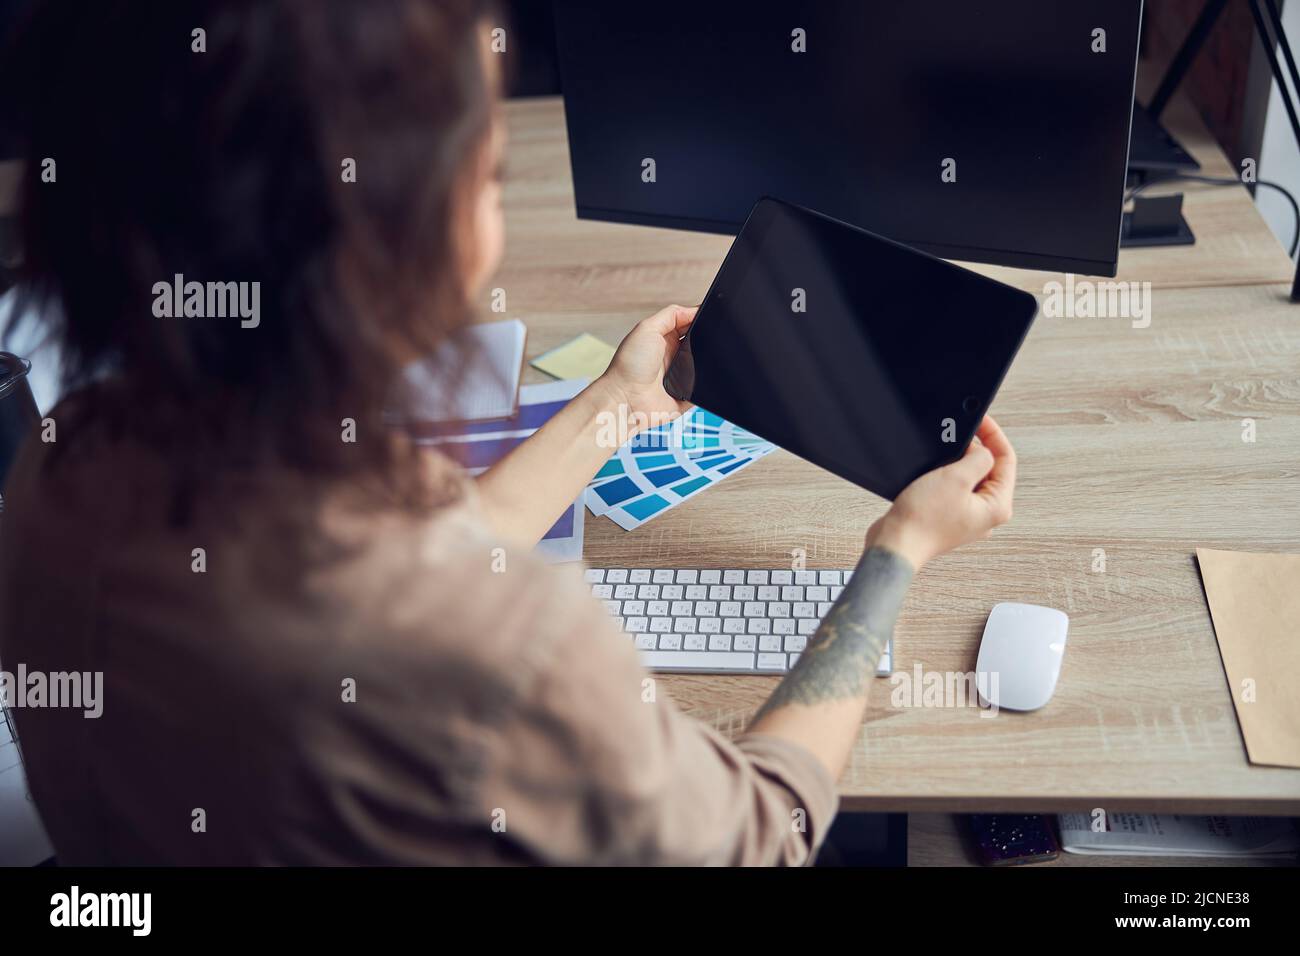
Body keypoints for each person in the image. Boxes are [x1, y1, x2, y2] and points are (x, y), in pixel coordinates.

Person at [0, 0, 1015, 865]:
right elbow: (760, 831)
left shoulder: (60, 466)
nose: (497, 209)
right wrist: (896, 552)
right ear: (393, 241)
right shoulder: (501, 651)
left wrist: (612, 403)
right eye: (488, 178)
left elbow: (419, 567)